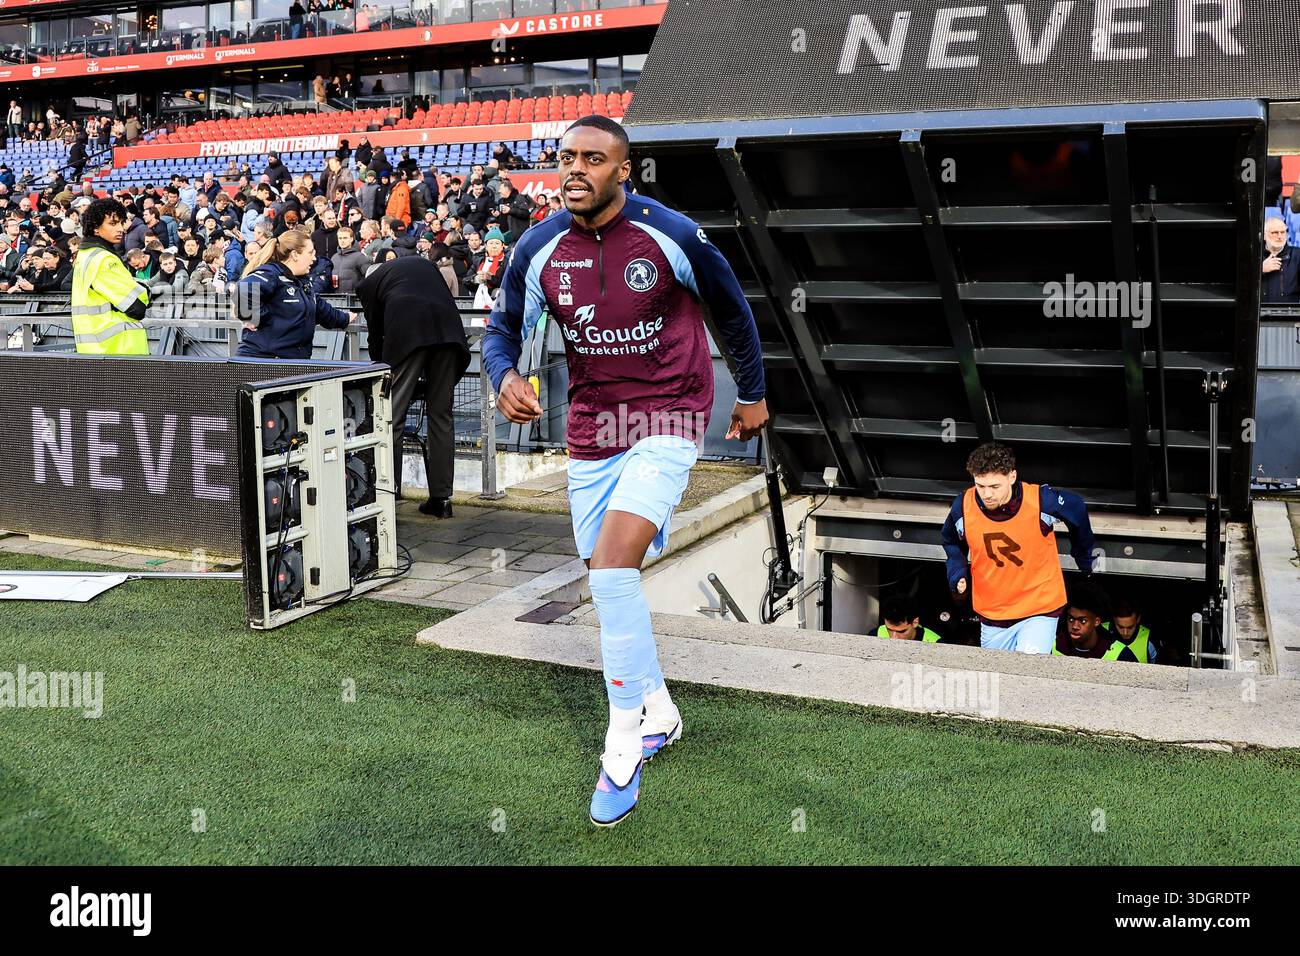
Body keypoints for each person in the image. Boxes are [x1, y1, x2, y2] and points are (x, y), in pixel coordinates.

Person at [482, 115, 768, 827]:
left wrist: (755, 392)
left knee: (611, 571)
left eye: (592, 158)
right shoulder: (538, 246)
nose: (574, 169)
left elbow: (733, 312)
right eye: (566, 158)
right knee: (607, 579)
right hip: (592, 430)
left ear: (623, 171)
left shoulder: (671, 233)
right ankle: (662, 712)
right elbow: (501, 328)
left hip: (668, 418)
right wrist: (503, 374)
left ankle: (622, 744)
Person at [942, 441, 1095, 655]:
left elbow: (1076, 508)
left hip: (1039, 608)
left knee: (1028, 673)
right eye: (980, 486)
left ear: (1012, 477)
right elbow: (951, 541)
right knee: (998, 677)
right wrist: (957, 571)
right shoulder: (963, 506)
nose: (987, 494)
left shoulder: (1041, 501)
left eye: (995, 486)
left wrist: (1083, 557)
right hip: (993, 613)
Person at [356, 255, 469, 513]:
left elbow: (375, 334)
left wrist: (382, 369)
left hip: (409, 335)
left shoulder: (369, 285)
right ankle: (442, 501)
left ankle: (389, 494)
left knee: (392, 417)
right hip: (450, 335)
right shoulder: (424, 264)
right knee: (441, 415)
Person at [234, 229, 357, 359]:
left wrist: (345, 318)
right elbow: (244, 289)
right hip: (264, 362)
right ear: (295, 255)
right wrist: (251, 317)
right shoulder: (272, 274)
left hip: (292, 362)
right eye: (310, 253)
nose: (314, 258)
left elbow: (321, 309)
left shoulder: (302, 283)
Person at [70, 198, 150, 355]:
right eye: (113, 224)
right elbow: (137, 307)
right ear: (95, 228)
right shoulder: (104, 259)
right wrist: (145, 289)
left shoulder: (85, 255)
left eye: (121, 223)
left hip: (94, 348)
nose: (121, 228)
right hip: (120, 347)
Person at [1053, 586, 1120, 659]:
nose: (1075, 626)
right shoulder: (1053, 646)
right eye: (1071, 619)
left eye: (1083, 621)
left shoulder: (1119, 653)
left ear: (1097, 622)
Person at [1102, 596, 1159, 664]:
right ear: (1114, 619)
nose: (1125, 633)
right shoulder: (1099, 632)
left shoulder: (1149, 641)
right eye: (1120, 627)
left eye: (1130, 627)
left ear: (1138, 619)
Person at [1261, 216, 1300, 305]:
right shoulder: (1255, 255)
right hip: (1259, 313)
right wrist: (1260, 269)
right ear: (1264, 236)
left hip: (1290, 315)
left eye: (1283, 232)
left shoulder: (1297, 255)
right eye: (1274, 232)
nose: (1280, 236)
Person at [876, 594, 942, 643]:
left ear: (915, 622)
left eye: (901, 631)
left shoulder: (935, 642)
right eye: (889, 629)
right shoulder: (875, 634)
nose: (894, 637)